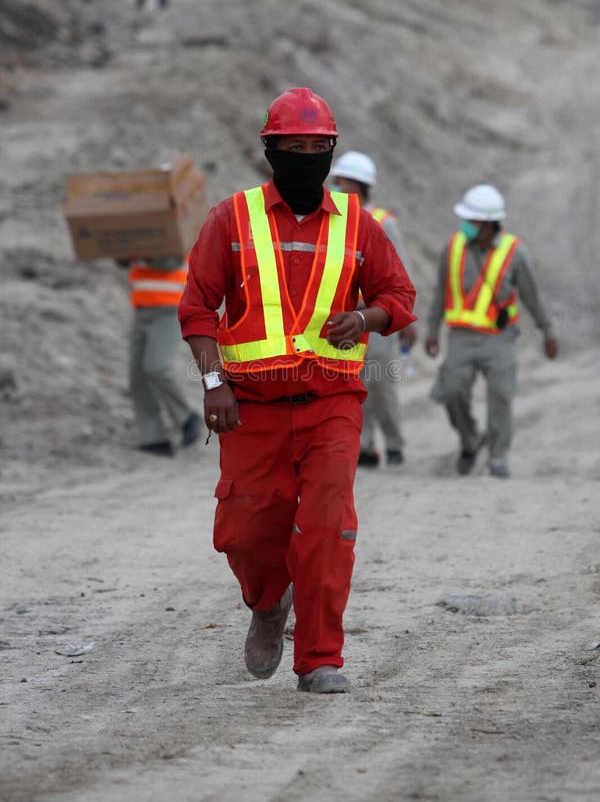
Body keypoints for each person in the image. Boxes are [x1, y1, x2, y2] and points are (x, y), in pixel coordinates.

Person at [179, 88, 416, 694]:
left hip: (331, 406)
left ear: (332, 151)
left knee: (327, 528)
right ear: (270, 151)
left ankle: (320, 659)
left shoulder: (358, 225)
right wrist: (214, 382)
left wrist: (364, 320)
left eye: (317, 147)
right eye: (293, 147)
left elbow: (399, 298)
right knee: (246, 532)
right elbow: (198, 307)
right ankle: (266, 604)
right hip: (250, 409)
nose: (306, 156)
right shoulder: (231, 219)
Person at [425, 184, 558, 479]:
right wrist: (431, 331)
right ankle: (470, 441)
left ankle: (498, 457)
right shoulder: (453, 246)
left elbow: (532, 295)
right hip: (460, 337)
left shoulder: (514, 251)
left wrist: (548, 331)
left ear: (488, 223)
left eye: (471, 221)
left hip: (501, 339)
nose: (465, 225)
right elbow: (439, 292)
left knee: (501, 396)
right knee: (451, 391)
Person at [331, 150, 417, 468]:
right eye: (336, 181)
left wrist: (405, 318)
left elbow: (402, 271)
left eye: (343, 182)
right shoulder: (334, 220)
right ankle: (365, 447)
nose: (337, 187)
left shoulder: (384, 222)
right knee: (354, 383)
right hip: (347, 317)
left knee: (381, 382)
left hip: (377, 317)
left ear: (361, 185)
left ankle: (394, 442)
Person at [121, 255, 201, 457]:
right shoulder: (135, 229)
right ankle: (154, 438)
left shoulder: (170, 228)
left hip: (171, 308)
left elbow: (168, 261)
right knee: (137, 378)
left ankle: (187, 418)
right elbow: (123, 259)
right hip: (142, 309)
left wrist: (139, 249)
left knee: (157, 366)